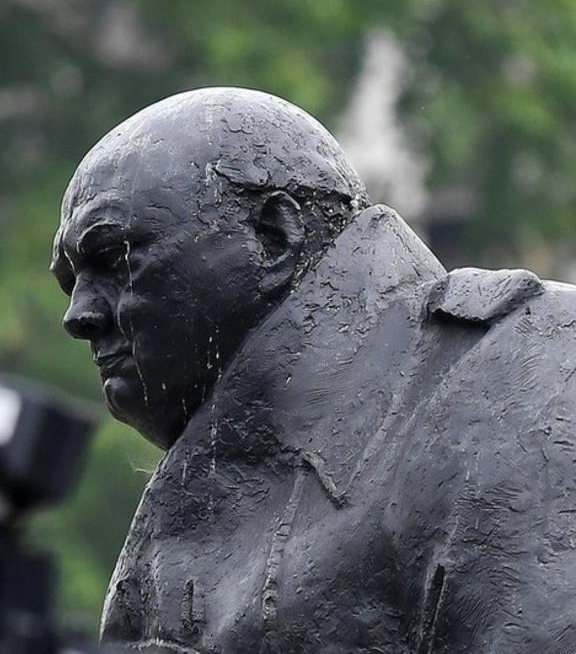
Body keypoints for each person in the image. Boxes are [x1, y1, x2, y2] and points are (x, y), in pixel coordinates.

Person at [51, 87, 576, 652]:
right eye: (70, 281)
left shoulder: (529, 371)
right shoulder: (186, 514)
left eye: (116, 259)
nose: (77, 316)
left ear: (274, 237)